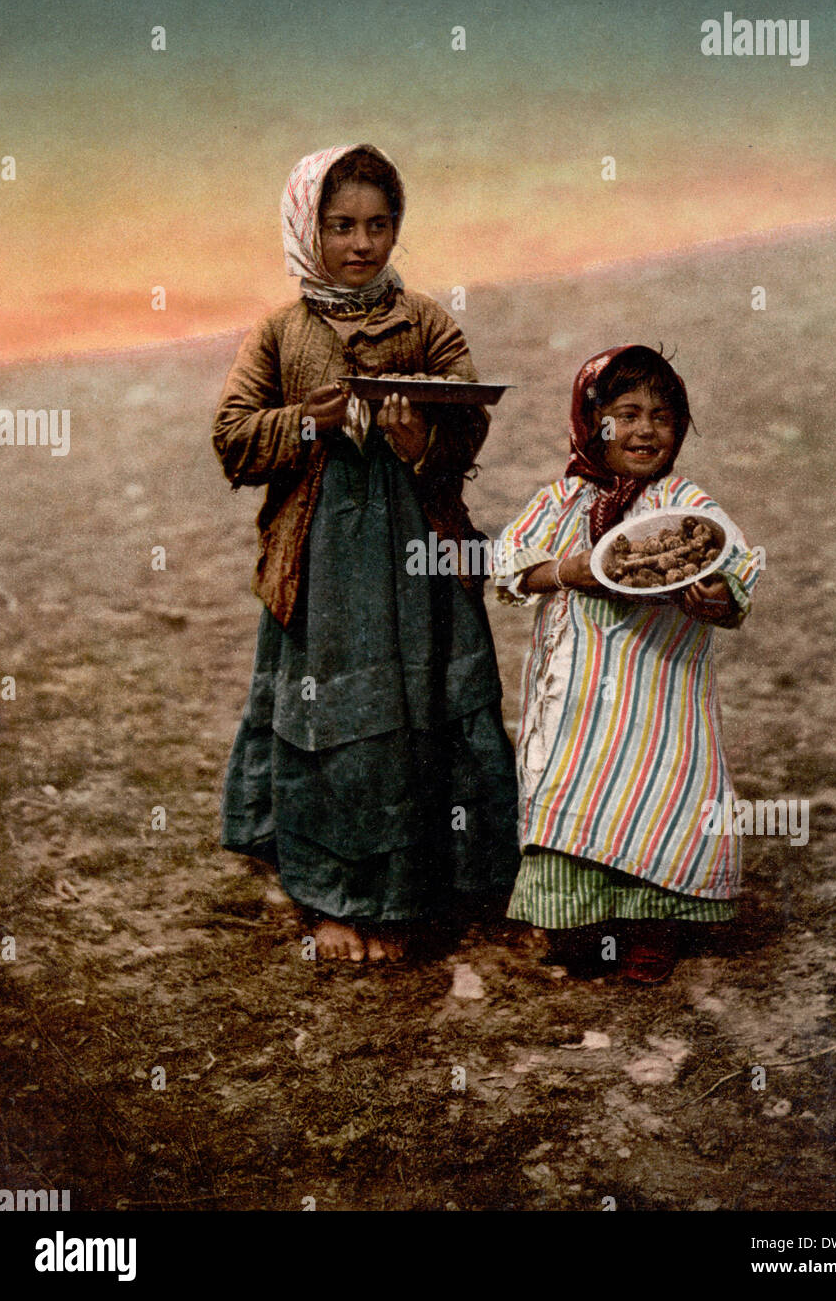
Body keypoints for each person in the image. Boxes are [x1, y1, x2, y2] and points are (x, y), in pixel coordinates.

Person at [213, 143, 518, 964]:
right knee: (334, 720)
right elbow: (233, 439)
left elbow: (470, 418)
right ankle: (331, 898)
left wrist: (424, 438)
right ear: (307, 228)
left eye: (378, 226)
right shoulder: (279, 332)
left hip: (418, 557)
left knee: (421, 714)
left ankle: (422, 893)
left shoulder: (423, 320)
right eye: (341, 225)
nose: (361, 244)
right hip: (321, 568)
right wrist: (304, 425)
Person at [493, 344, 760, 983]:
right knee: (572, 790)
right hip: (577, 689)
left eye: (663, 417)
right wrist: (569, 569)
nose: (645, 430)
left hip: (661, 687)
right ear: (592, 423)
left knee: (661, 794)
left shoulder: (686, 505)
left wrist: (717, 595)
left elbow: (739, 563)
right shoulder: (564, 498)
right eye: (626, 414)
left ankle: (652, 927)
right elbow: (508, 560)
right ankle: (578, 919)